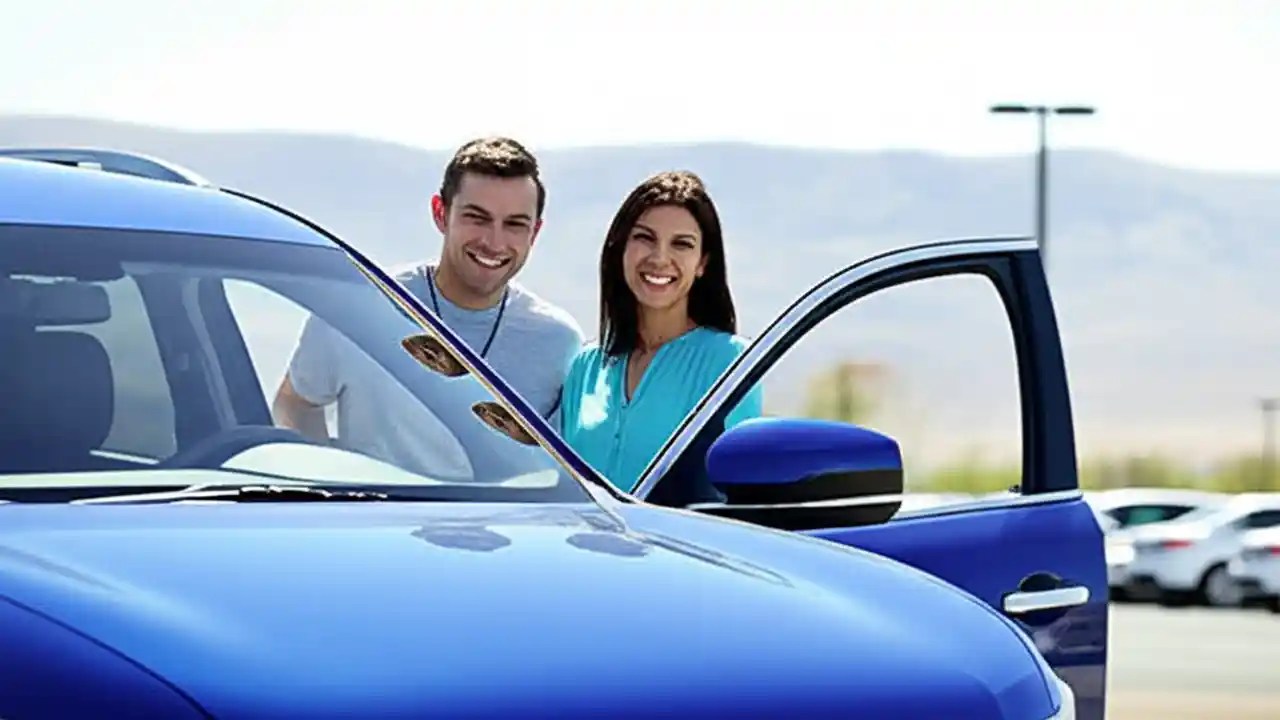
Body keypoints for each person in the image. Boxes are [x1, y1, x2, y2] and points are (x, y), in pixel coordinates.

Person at [272, 137, 584, 470]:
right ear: (440, 213)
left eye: (514, 225)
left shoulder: (557, 340)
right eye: (477, 218)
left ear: (534, 233)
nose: (494, 242)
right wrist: (331, 487)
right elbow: (295, 403)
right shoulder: (362, 307)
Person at [557, 170, 763, 494]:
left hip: (676, 544)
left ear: (702, 263)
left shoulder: (731, 363)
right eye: (644, 238)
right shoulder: (586, 367)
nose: (659, 258)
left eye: (681, 244)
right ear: (620, 247)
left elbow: (742, 496)